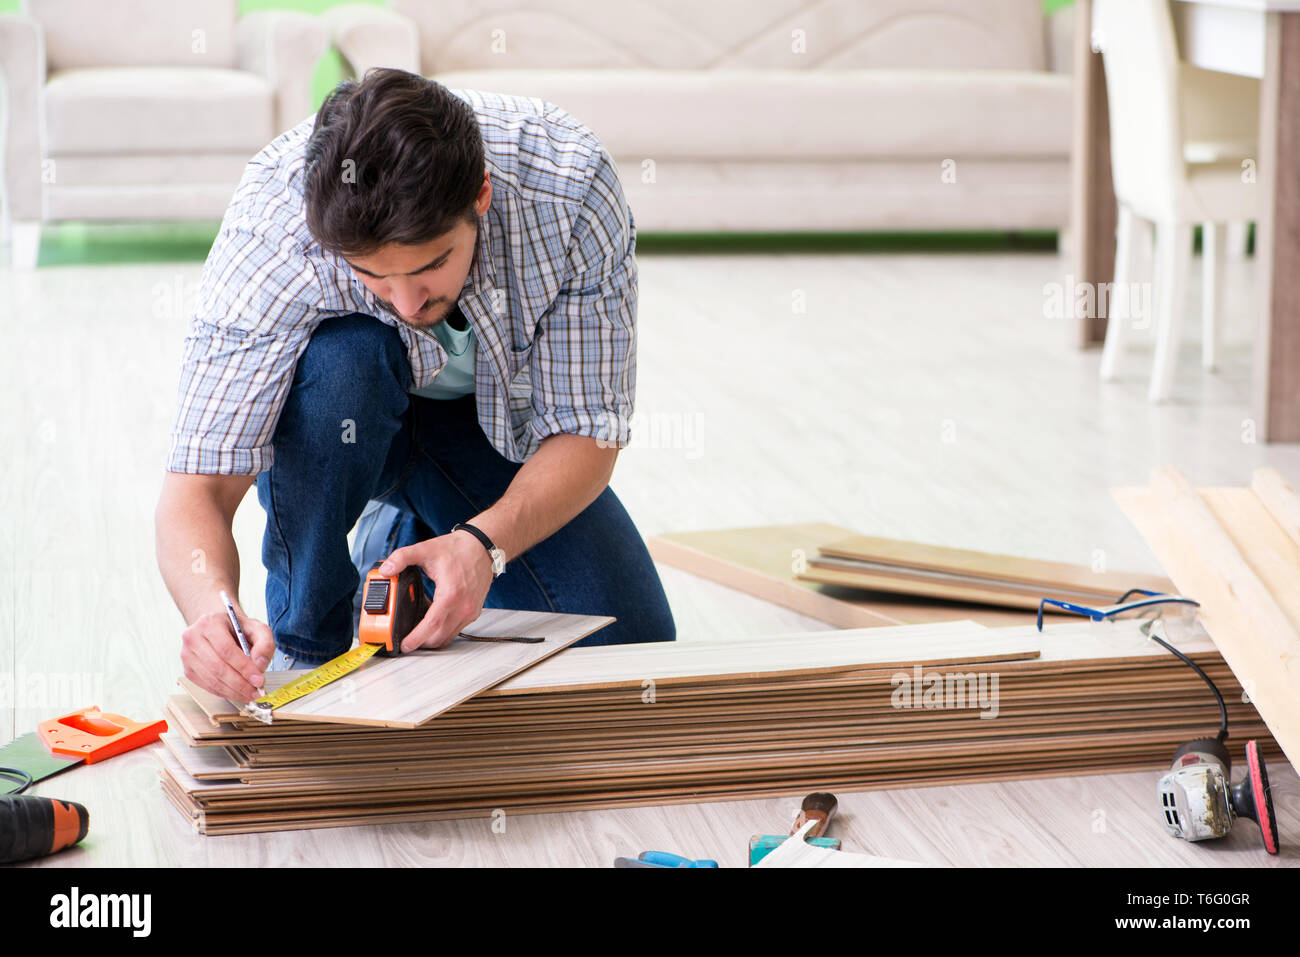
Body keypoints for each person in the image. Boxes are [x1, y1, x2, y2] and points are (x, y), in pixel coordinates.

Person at [155, 69, 676, 704]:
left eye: (432, 264)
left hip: (489, 437)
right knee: (347, 362)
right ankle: (309, 638)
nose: (406, 301)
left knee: (628, 651)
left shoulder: (569, 186)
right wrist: (212, 612)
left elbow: (587, 435)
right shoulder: (270, 233)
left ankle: (411, 547)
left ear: (481, 193)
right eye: (374, 275)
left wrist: (483, 546)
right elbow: (196, 488)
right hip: (342, 427)